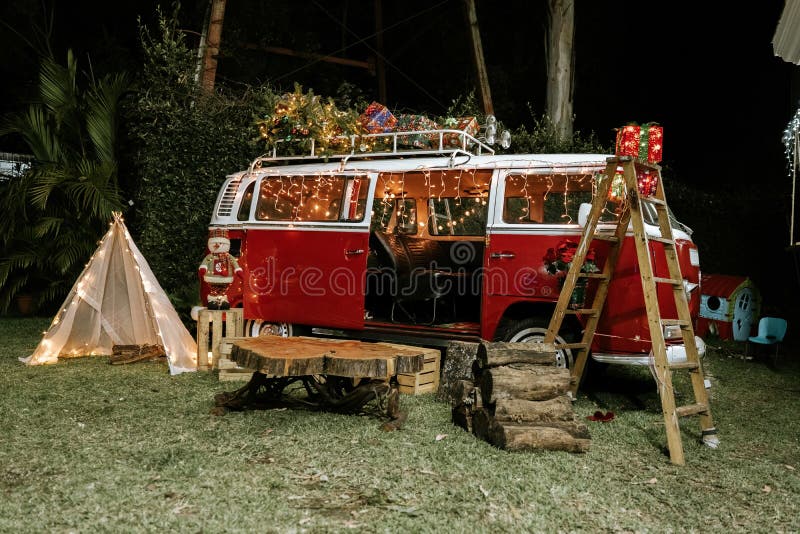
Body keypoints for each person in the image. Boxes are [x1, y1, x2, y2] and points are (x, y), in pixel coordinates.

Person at [198, 228, 242, 310]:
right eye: (215, 243)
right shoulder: (211, 256)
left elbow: (235, 263)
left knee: (223, 291)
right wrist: (203, 268)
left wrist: (238, 270)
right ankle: (213, 301)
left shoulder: (228, 257)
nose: (217, 245)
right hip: (212, 278)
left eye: (221, 243)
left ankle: (223, 301)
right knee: (214, 290)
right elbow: (205, 263)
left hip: (225, 278)